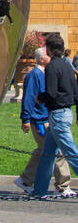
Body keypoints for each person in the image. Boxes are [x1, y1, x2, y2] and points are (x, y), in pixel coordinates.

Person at [15, 45, 74, 195]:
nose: (50, 57)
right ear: (42, 59)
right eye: (47, 55)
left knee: (45, 152)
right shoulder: (34, 75)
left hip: (47, 117)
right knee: (59, 152)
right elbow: (28, 98)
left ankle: (28, 181)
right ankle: (62, 186)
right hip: (39, 120)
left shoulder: (47, 72)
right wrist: (26, 119)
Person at [32, 34, 78, 197]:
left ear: (49, 49)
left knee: (71, 153)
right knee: (48, 155)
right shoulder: (68, 65)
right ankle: (39, 191)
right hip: (66, 113)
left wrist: (40, 98)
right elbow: (75, 92)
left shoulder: (52, 67)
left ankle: (39, 190)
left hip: (57, 115)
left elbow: (51, 92)